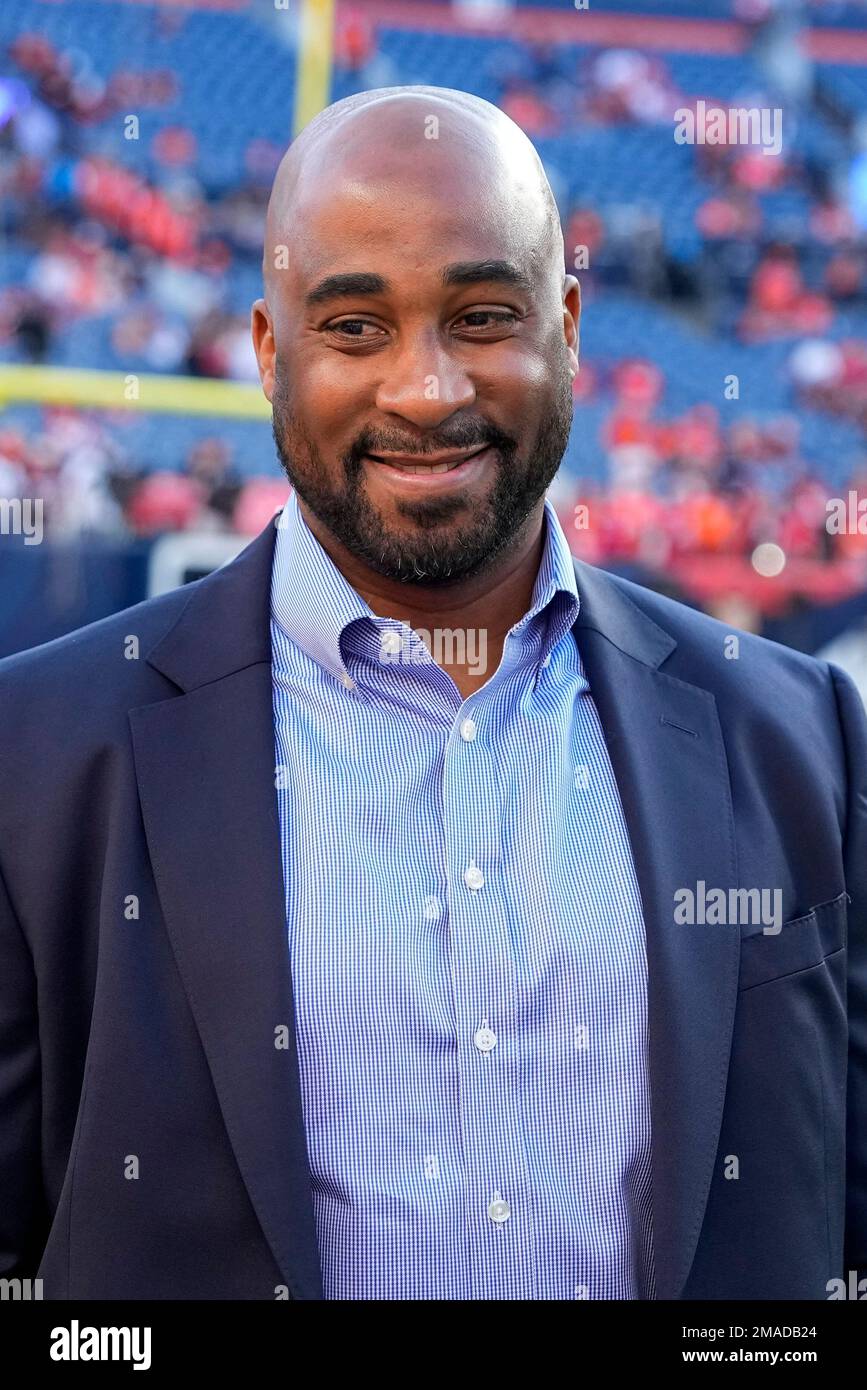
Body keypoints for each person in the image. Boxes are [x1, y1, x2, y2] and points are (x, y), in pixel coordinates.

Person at [0, 85, 865, 1302]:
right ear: (267, 349)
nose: (426, 390)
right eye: (355, 328)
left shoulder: (801, 740)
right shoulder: (40, 754)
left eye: (483, 315)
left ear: (565, 324)